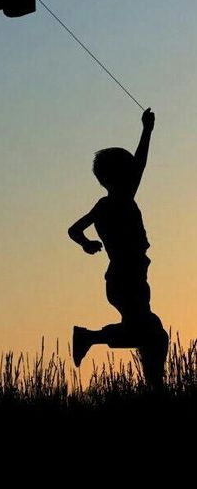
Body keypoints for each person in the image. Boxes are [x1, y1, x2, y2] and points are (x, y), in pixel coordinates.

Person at [68, 108, 168, 388]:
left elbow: (74, 230)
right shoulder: (121, 199)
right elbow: (142, 164)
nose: (134, 174)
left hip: (124, 277)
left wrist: (86, 243)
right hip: (127, 277)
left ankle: (154, 385)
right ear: (119, 176)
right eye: (128, 171)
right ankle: (88, 337)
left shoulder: (104, 205)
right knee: (152, 335)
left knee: (151, 332)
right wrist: (147, 130)